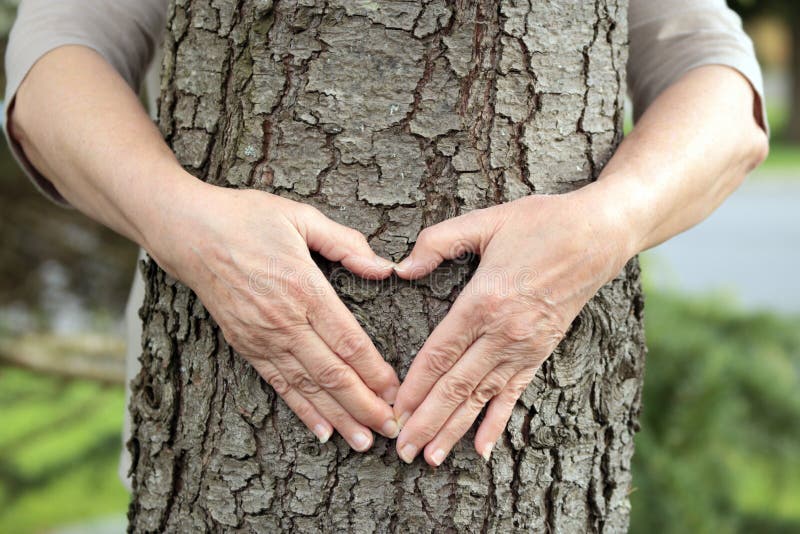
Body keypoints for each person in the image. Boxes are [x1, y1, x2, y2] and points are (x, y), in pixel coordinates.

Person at [3, 0, 768, 485]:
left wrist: (611, 221)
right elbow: (50, 65)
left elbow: (721, 90)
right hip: (212, 432)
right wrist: (180, 221)